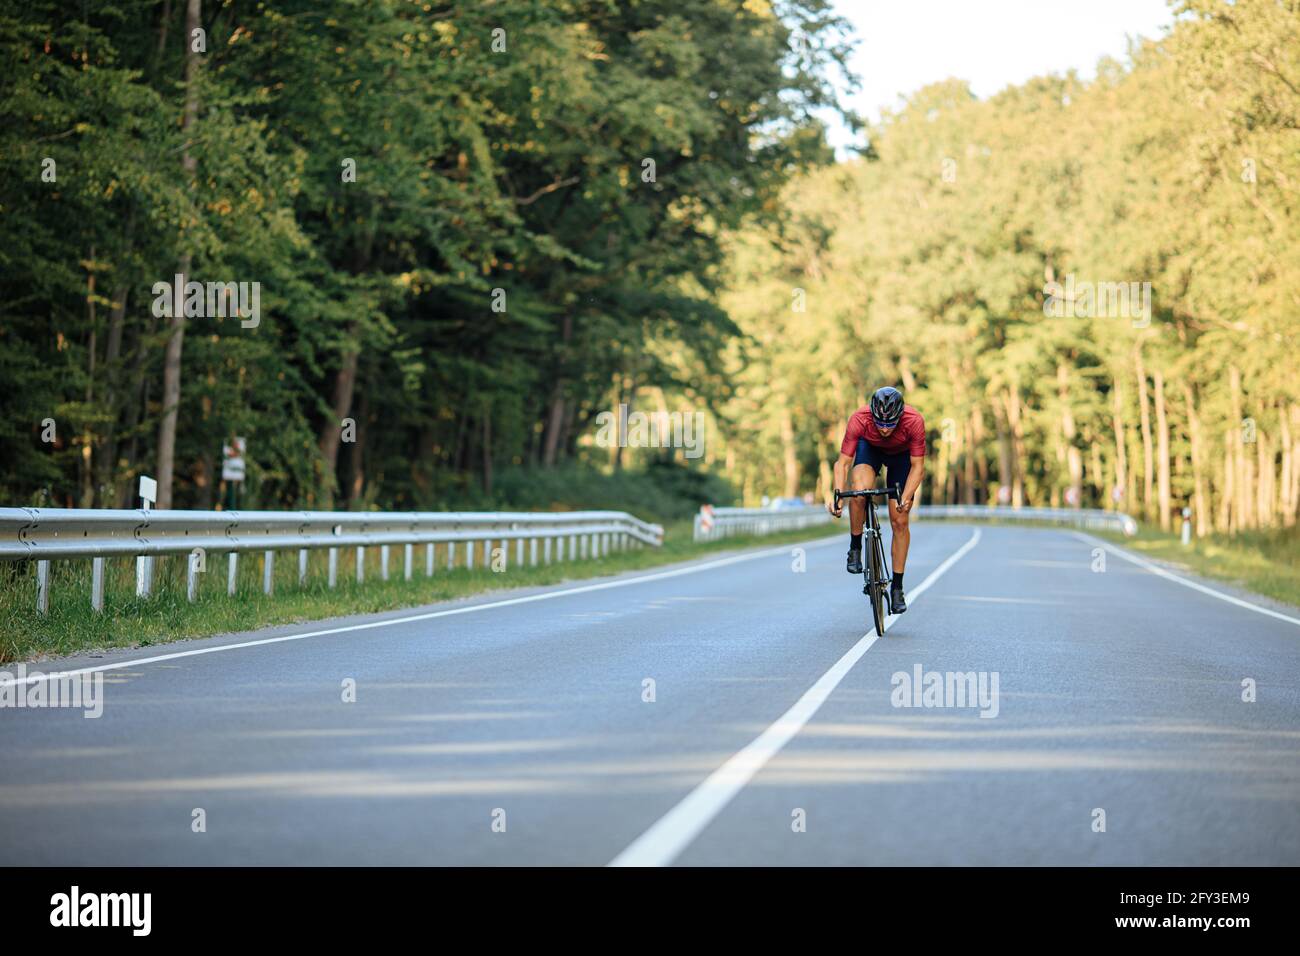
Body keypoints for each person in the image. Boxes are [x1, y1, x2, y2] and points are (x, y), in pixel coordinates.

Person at [828, 386, 926, 613]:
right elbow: (842, 463)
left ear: (900, 416)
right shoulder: (859, 419)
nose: (883, 429)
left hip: (901, 457)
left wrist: (907, 497)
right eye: (880, 423)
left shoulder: (914, 421)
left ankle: (898, 588)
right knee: (860, 491)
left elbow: (918, 467)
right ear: (872, 414)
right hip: (869, 449)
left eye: (890, 424)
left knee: (899, 519)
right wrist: (837, 494)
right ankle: (855, 547)